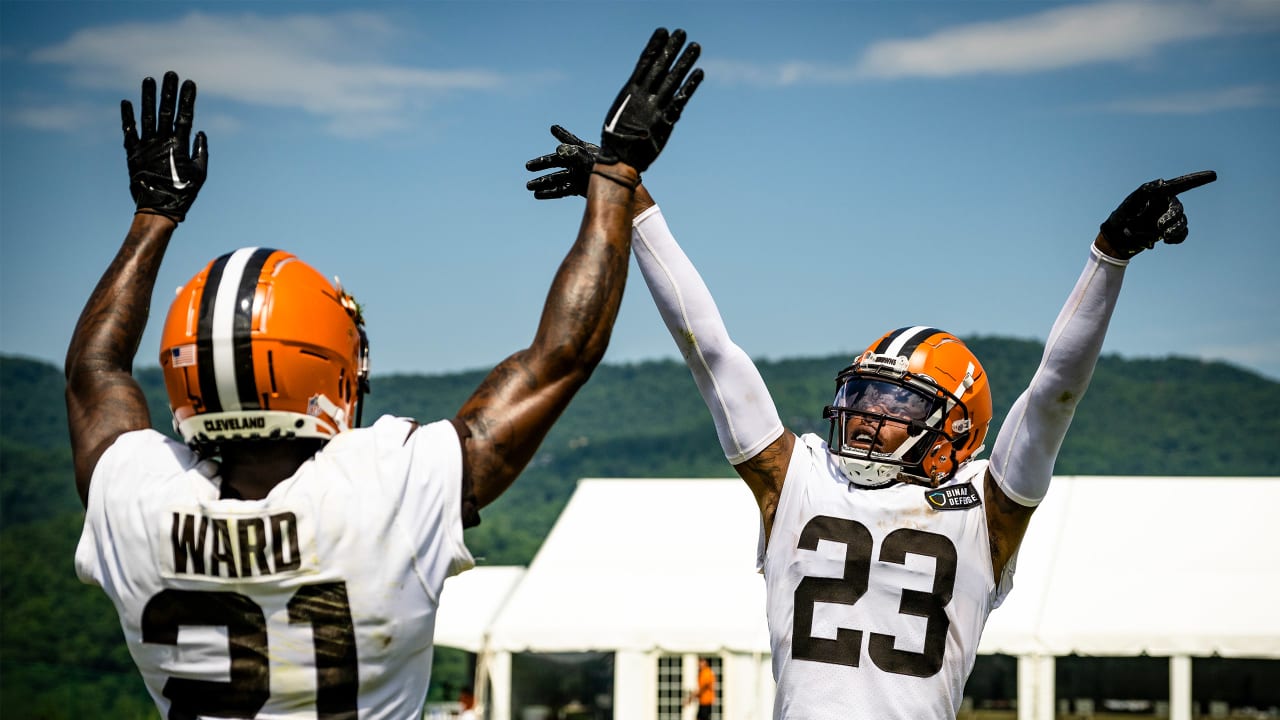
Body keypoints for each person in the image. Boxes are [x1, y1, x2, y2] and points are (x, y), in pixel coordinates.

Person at [66, 27, 703, 719]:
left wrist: (153, 215)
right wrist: (614, 177)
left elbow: (92, 373)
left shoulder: (138, 501)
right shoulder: (386, 489)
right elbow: (562, 356)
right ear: (332, 369)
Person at [527, 128, 1215, 718]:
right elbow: (711, 350)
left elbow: (1052, 394)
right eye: (863, 394)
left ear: (955, 431)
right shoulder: (797, 476)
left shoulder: (985, 511)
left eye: (899, 405)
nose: (865, 417)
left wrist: (1108, 256)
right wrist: (633, 204)